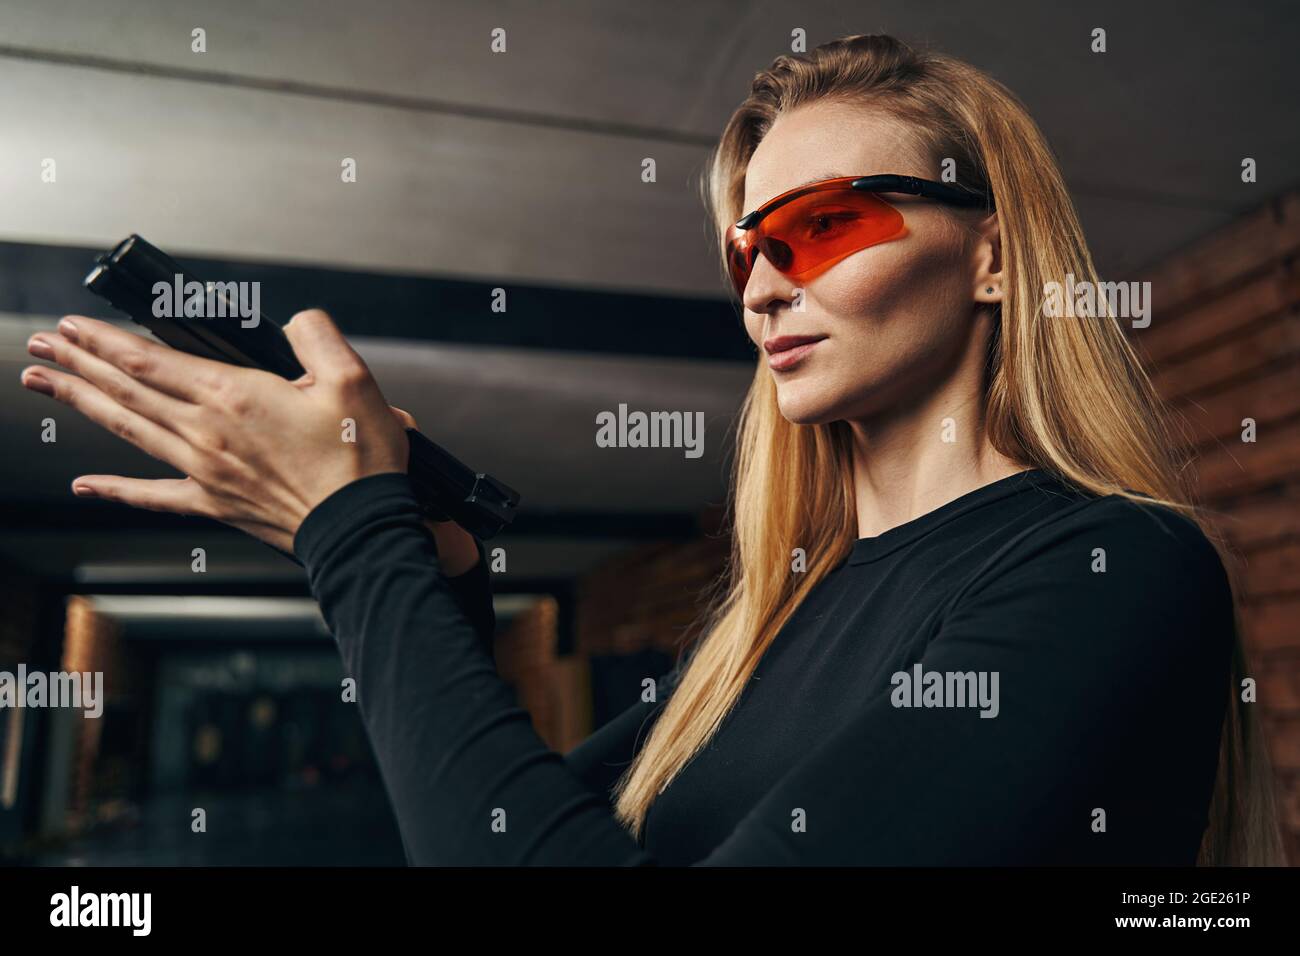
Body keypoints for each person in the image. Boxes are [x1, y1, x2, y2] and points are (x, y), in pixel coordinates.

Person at [19, 34, 1281, 865]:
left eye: (825, 224)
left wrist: (344, 533)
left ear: (994, 253)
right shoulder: (784, 613)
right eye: (747, 249)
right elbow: (513, 822)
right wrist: (424, 553)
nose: (764, 286)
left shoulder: (1111, 566)